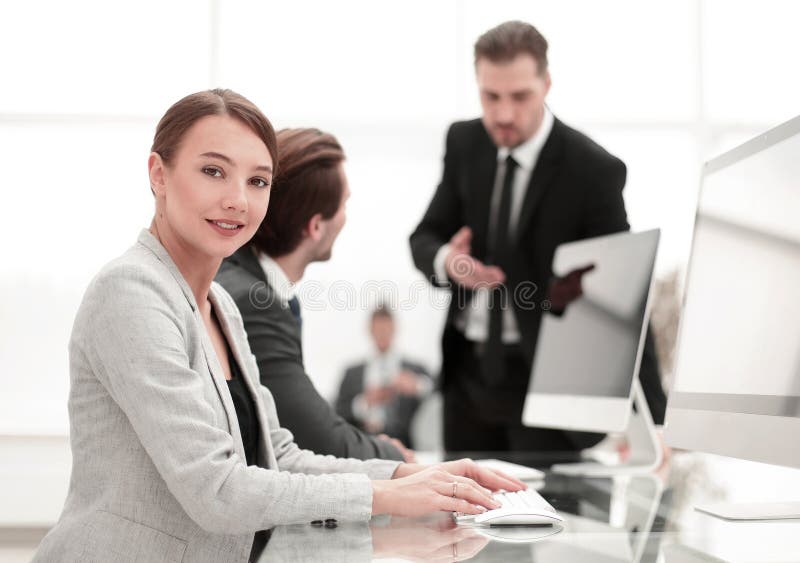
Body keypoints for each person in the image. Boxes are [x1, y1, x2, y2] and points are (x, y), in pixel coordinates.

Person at [33, 89, 524, 563]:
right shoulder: (132, 292)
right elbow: (217, 490)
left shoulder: (221, 305)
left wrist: (411, 476)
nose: (238, 200)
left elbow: (278, 456)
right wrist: (387, 496)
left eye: (258, 181)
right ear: (158, 174)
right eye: (213, 171)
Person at [409, 21, 667, 454]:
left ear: (546, 84)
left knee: (547, 519)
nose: (504, 115)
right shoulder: (465, 142)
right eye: (491, 97)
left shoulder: (593, 171)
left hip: (546, 386)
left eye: (520, 96)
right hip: (467, 378)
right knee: (459, 515)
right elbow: (424, 237)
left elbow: (624, 290)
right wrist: (447, 262)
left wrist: (654, 420)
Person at [216, 128, 412, 462]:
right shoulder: (253, 301)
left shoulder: (243, 281)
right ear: (316, 226)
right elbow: (314, 437)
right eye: (344, 204)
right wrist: (394, 455)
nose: (346, 216)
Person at [335, 305, 433, 447]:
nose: (382, 334)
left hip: (407, 445)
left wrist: (417, 386)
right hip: (365, 445)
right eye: (378, 330)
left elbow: (438, 395)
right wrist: (364, 403)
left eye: (386, 330)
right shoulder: (352, 373)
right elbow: (339, 412)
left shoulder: (415, 369)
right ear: (370, 330)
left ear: (394, 329)